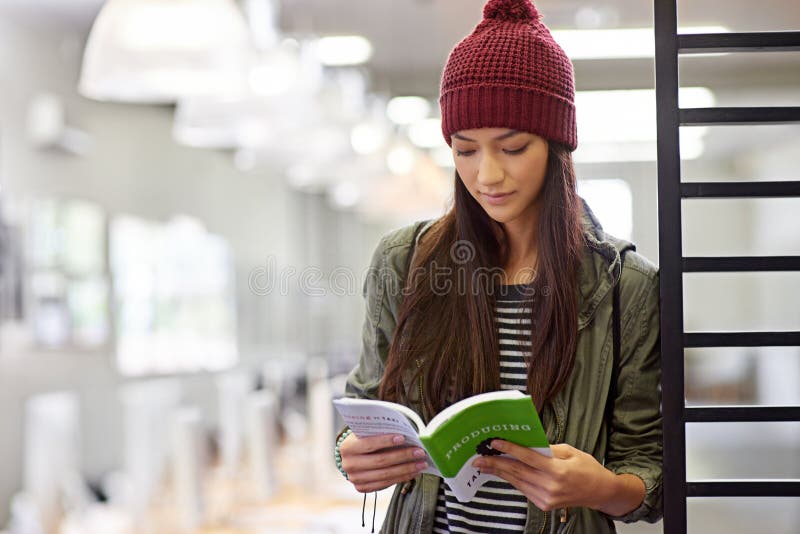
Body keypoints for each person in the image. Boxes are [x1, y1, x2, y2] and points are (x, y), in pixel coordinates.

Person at [334, 0, 662, 532]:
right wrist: (351, 452)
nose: (487, 175)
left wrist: (601, 488)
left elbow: (650, 472)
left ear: (557, 146)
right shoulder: (405, 263)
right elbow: (367, 407)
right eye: (465, 151)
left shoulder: (625, 286)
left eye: (511, 147)